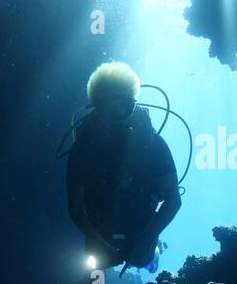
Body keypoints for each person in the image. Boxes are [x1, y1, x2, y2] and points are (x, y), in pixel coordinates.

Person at [67, 62, 182, 272]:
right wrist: (100, 243)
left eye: (123, 107)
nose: (117, 116)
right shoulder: (83, 150)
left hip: (141, 223)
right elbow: (75, 208)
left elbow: (174, 199)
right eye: (108, 108)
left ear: (134, 104)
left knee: (141, 260)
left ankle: (154, 249)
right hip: (99, 225)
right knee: (100, 262)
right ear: (96, 107)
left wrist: (147, 239)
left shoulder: (153, 144)